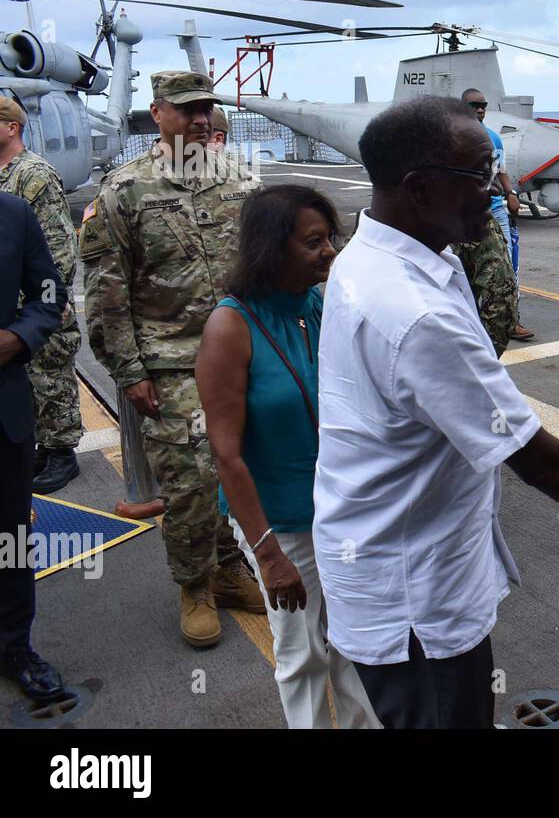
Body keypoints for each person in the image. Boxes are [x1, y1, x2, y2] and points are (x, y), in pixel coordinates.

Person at [313, 96, 559, 728]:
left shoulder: (383, 258)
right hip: (417, 605)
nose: (498, 188)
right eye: (480, 174)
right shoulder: (416, 313)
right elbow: (544, 464)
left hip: (397, 570)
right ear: (420, 188)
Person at [80, 71, 265, 648]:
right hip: (170, 359)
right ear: (157, 114)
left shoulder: (240, 181)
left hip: (245, 353)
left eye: (206, 108)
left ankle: (230, 566)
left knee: (244, 469)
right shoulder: (124, 191)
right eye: (187, 109)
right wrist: (129, 372)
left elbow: (266, 267)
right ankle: (195, 585)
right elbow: (107, 292)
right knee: (189, 480)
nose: (201, 118)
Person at [196, 185, 378, 728]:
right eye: (314, 242)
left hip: (344, 513)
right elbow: (226, 454)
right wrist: (268, 553)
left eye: (331, 239)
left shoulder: (322, 306)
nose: (330, 252)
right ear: (272, 249)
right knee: (301, 654)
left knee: (356, 646)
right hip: (283, 525)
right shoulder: (230, 326)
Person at [0, 190, 67, 701]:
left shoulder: (14, 212)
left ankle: (14, 646)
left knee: (11, 539)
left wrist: (19, 337)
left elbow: (48, 292)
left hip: (5, 412)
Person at [0, 98, 83, 493]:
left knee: (52, 379)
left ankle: (62, 453)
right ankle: (42, 448)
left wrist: (50, 302)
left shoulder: (34, 174)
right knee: (30, 385)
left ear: (12, 127)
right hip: (13, 308)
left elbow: (59, 246)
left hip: (37, 302)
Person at [462, 88, 533, 341]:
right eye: (474, 105)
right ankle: (469, 322)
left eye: (483, 104)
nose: (479, 109)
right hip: (465, 213)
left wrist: (510, 192)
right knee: (465, 270)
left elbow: (500, 169)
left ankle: (511, 320)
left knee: (507, 265)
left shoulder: (493, 138)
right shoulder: (453, 138)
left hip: (495, 209)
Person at [451, 214, 517, 357]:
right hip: (452, 349)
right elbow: (502, 300)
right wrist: (482, 361)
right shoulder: (467, 215)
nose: (494, 190)